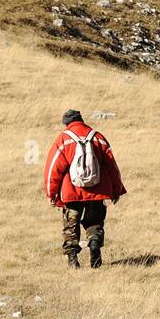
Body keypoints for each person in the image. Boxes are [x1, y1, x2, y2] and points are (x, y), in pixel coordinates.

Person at [44, 110, 126, 268]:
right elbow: (112, 166)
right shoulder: (97, 137)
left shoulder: (64, 139)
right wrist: (116, 190)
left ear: (66, 123)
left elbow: (53, 169)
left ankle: (73, 260)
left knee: (70, 226)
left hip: (71, 193)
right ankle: (94, 249)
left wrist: (51, 193)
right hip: (97, 192)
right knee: (95, 222)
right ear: (82, 120)